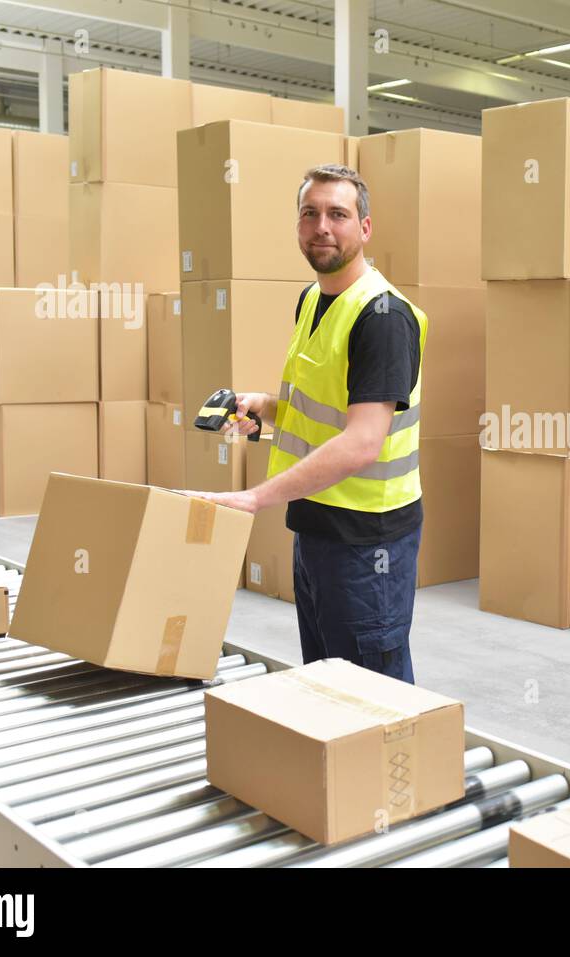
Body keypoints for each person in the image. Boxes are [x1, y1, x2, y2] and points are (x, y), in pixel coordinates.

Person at [184, 164, 427, 682]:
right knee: (326, 679)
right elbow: (319, 403)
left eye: (338, 214)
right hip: (316, 525)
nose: (322, 226)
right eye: (310, 213)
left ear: (364, 228)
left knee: (373, 688)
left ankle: (400, 765)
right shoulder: (312, 299)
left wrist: (255, 497)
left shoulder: (383, 317)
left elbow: (363, 441)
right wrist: (262, 406)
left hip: (368, 539)